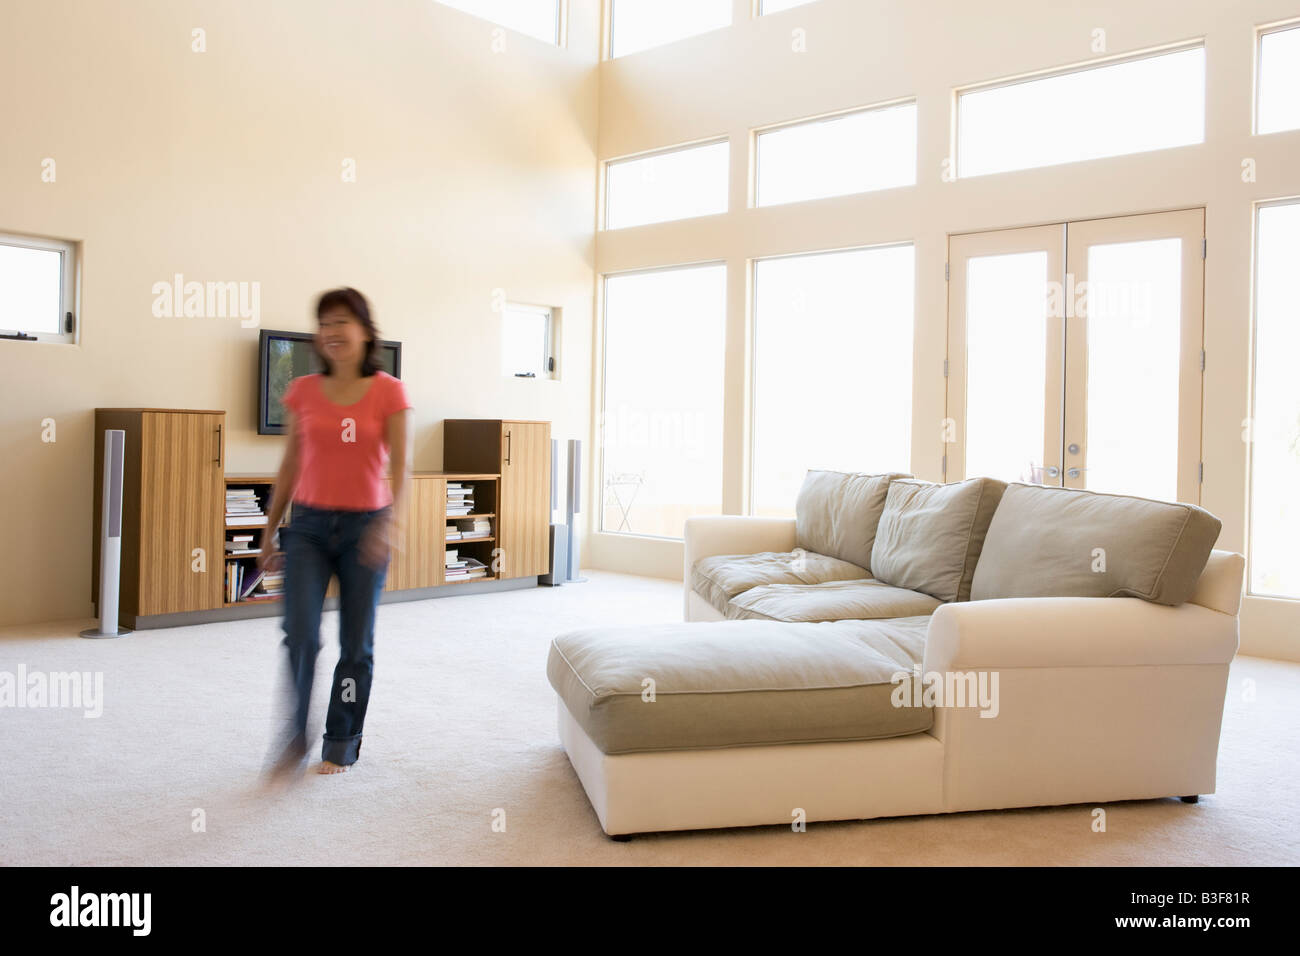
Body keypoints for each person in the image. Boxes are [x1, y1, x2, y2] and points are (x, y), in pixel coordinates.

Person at [258, 287, 412, 776]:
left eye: (341, 321)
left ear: (366, 332)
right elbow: (290, 462)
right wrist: (269, 526)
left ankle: (340, 742)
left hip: (366, 526)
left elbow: (404, 469)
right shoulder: (303, 390)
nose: (330, 332)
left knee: (356, 645)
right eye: (323, 323)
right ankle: (293, 737)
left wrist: (389, 525)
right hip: (307, 525)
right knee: (300, 632)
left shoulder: (389, 391)